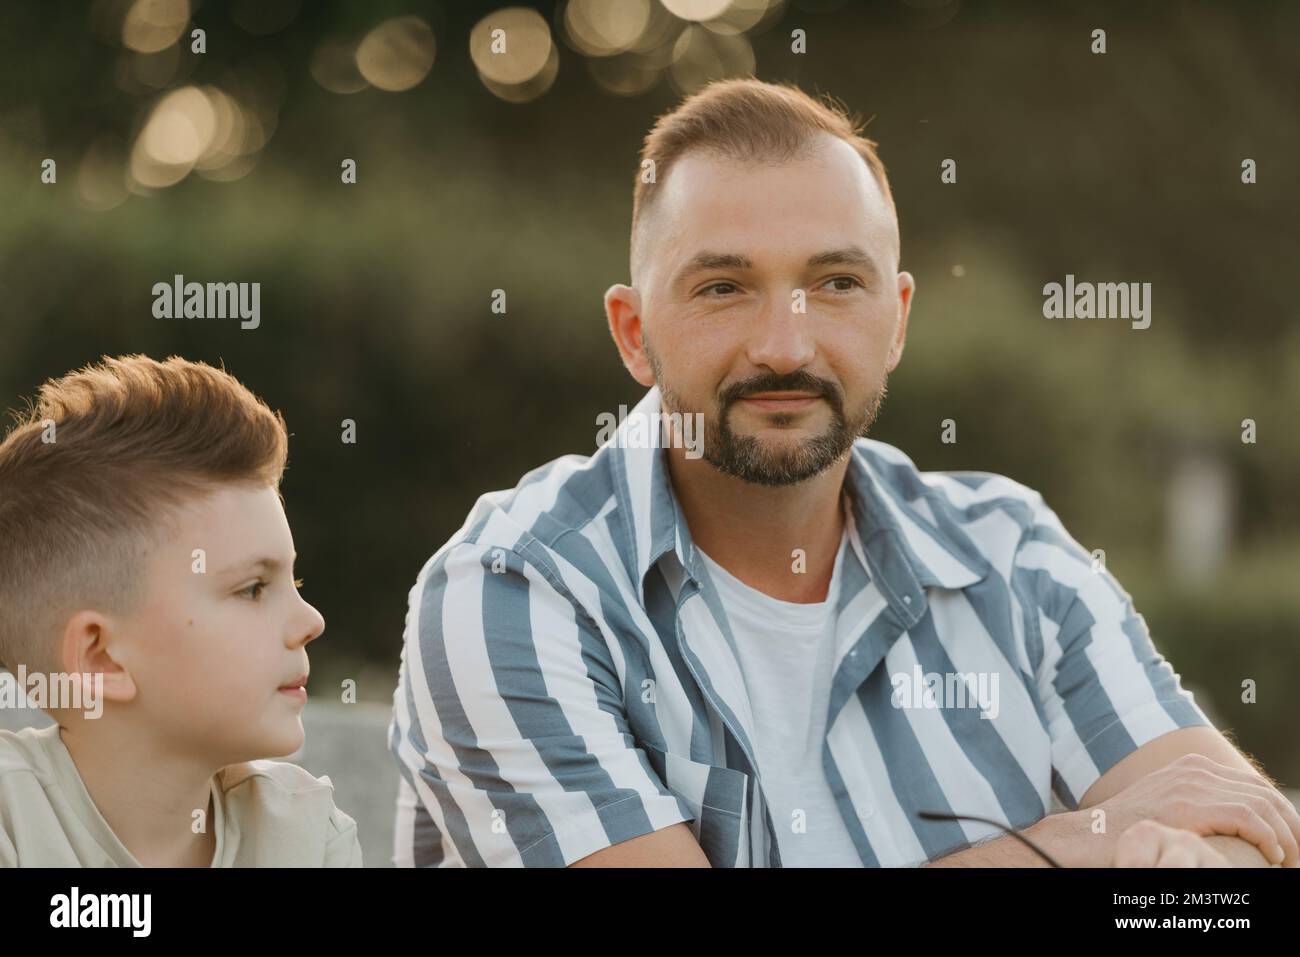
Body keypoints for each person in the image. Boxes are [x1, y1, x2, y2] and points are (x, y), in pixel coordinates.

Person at [388, 78, 1298, 868]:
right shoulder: (514, 591)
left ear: (896, 319)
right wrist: (1075, 842)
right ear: (634, 333)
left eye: (836, 283)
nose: (785, 344)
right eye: (722, 287)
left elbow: (1242, 840)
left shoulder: (1014, 556)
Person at [0, 354, 361, 867]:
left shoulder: (306, 837)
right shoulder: (12, 823)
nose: (311, 622)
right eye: (254, 588)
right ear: (103, 657)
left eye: (293, 580)